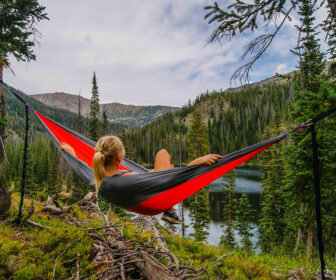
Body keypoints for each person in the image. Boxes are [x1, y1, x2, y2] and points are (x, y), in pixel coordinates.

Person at [60, 136, 222, 224]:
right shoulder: (126, 180)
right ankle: (170, 210)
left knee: (164, 165)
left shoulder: (97, 176)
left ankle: (170, 209)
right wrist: (196, 163)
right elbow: (173, 181)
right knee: (163, 154)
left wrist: (71, 152)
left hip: (141, 193)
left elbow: (81, 166)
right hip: (153, 202)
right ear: (120, 158)